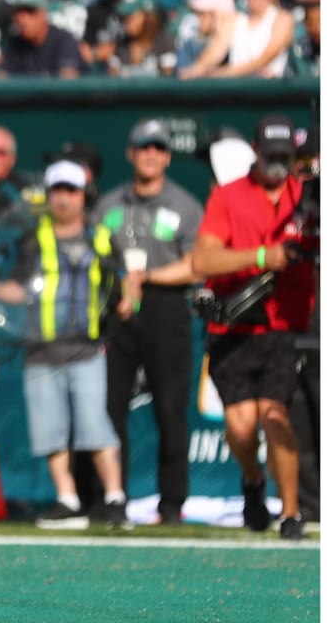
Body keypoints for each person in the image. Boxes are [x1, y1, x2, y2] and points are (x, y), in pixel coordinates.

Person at [191, 113, 316, 541]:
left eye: (287, 155)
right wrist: (264, 257)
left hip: (282, 328)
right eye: (272, 154)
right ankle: (252, 481)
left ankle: (291, 513)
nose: (279, 163)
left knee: (274, 415)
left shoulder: (307, 196)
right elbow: (203, 260)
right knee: (242, 428)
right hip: (233, 329)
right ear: (256, 150)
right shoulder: (228, 196)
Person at [0, 161, 137, 530]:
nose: (64, 198)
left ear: (83, 195)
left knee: (97, 427)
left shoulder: (100, 237)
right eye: (58, 190)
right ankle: (67, 499)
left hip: (87, 348)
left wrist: (127, 297)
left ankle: (115, 498)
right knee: (50, 430)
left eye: (71, 191)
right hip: (40, 349)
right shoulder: (34, 237)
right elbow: (20, 289)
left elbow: (124, 281)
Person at [92, 118, 205, 525]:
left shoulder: (185, 205)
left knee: (171, 408)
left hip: (166, 307)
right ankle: (112, 497)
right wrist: (121, 281)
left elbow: (197, 265)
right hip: (117, 310)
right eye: (144, 147)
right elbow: (95, 256)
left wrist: (146, 278)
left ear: (168, 156)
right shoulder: (108, 205)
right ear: (131, 153)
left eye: (158, 148)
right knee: (110, 408)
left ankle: (172, 504)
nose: (151, 154)